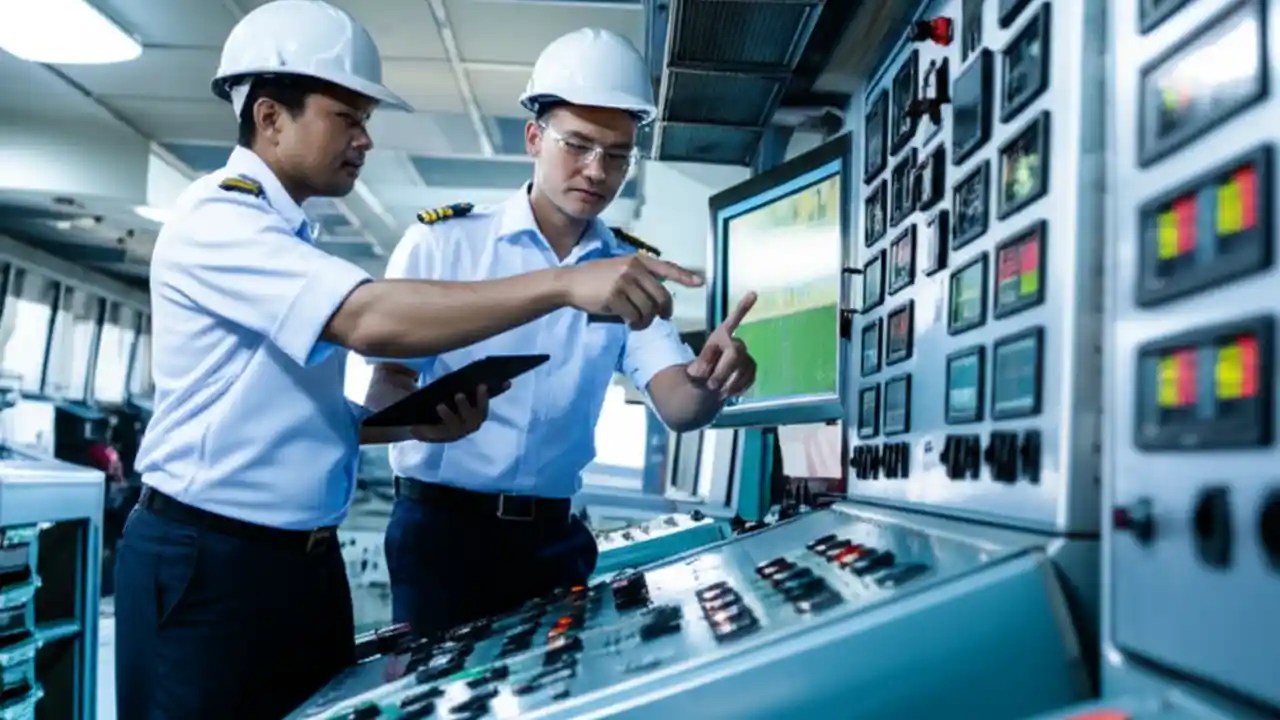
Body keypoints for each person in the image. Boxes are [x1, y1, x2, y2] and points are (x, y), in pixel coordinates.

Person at [112, 4, 704, 718]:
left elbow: (291, 419)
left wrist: (412, 425)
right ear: (270, 118)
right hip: (211, 561)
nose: (365, 139)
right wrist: (562, 282)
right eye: (347, 117)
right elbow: (371, 322)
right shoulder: (219, 221)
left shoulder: (290, 234)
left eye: (366, 119)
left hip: (300, 563)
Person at [368, 27, 760, 637]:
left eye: (617, 154)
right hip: (440, 534)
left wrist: (712, 378)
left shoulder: (629, 270)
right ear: (534, 138)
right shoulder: (442, 243)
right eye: (577, 145)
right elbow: (385, 385)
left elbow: (678, 404)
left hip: (555, 541)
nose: (596, 170)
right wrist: (418, 419)